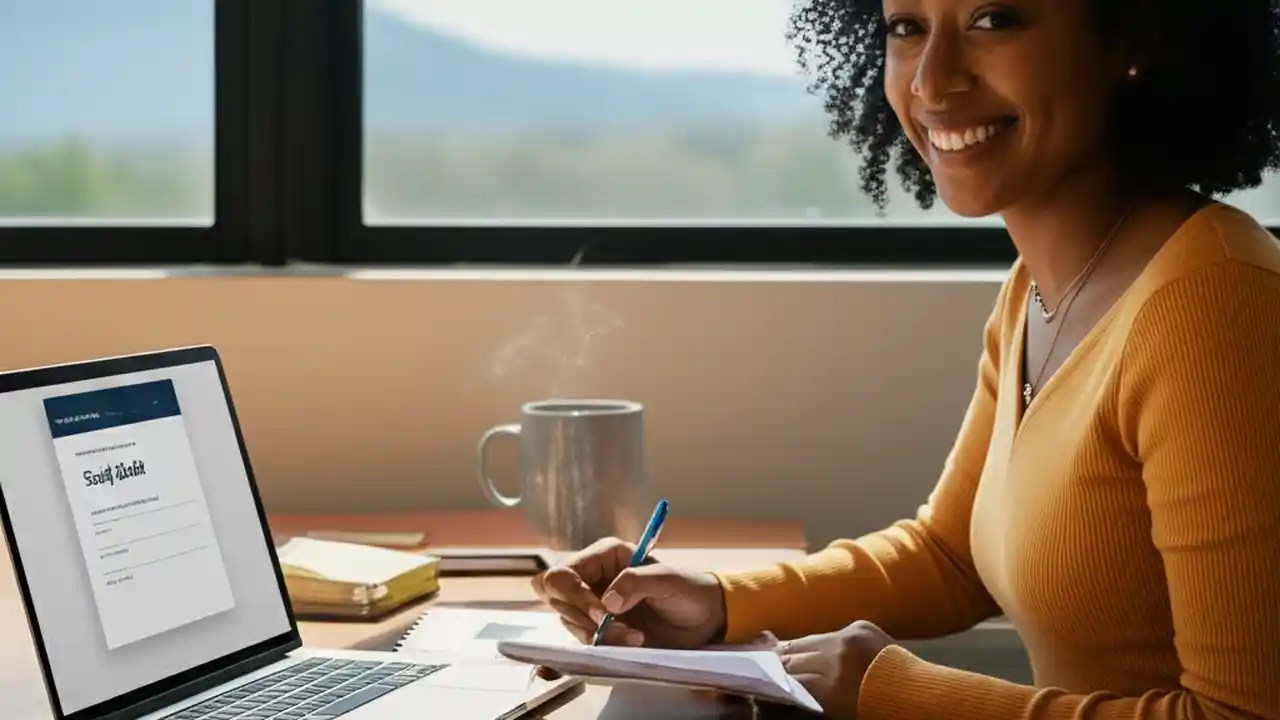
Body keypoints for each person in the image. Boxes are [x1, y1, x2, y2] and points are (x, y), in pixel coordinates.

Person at [534, 0, 1280, 718]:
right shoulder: (1040, 288)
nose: (931, 80)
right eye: (907, 26)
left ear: (1130, 41)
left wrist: (897, 695)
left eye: (994, 19)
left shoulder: (1214, 305)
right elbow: (952, 557)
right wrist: (720, 600)